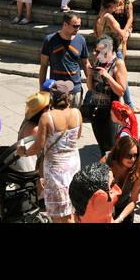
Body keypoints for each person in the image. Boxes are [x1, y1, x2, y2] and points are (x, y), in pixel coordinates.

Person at [18, 80, 82, 222]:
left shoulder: (47, 117)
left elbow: (38, 146)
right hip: (73, 165)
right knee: (70, 208)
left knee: (59, 213)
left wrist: (23, 152)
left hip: (56, 169)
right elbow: (76, 136)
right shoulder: (77, 113)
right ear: (67, 97)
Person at [39, 12, 90, 109]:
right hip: (57, 90)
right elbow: (44, 65)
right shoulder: (50, 40)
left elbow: (85, 63)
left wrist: (91, 81)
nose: (78, 29)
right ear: (65, 24)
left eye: (79, 26)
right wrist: (42, 89)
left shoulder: (81, 40)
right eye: (75, 26)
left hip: (75, 89)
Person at [102, 133, 140, 223]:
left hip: (124, 208)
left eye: (135, 155)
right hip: (105, 207)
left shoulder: (138, 167)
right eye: (129, 155)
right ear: (120, 153)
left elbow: (133, 201)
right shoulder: (107, 161)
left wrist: (119, 219)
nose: (133, 159)